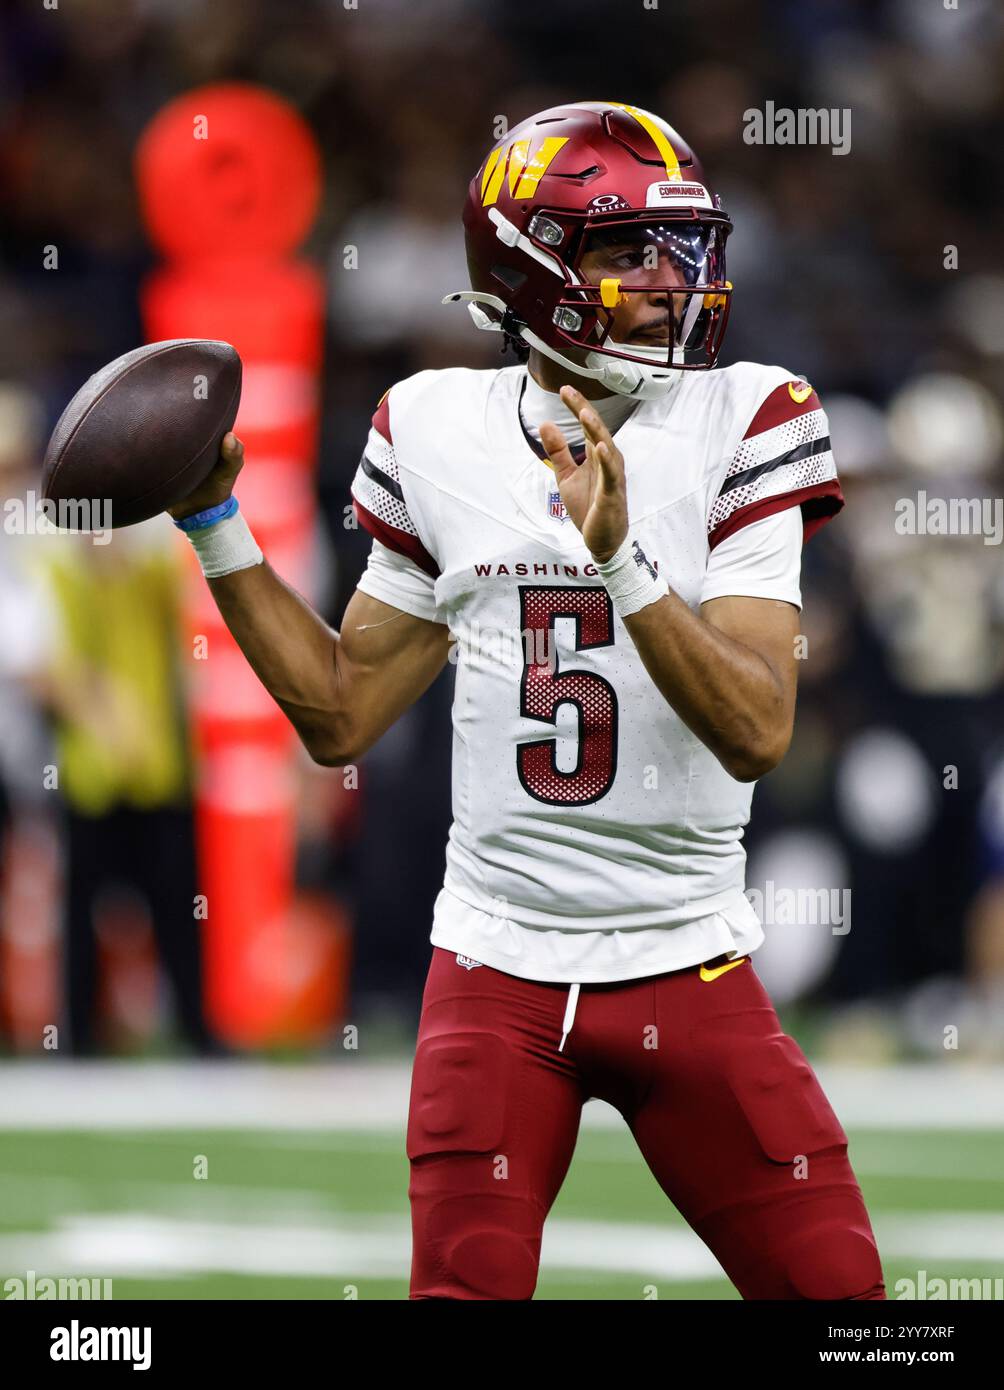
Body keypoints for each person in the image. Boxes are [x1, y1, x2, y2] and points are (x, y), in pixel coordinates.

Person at [169, 101, 883, 1300]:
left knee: (851, 1314)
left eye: (685, 248)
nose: (671, 283)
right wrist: (214, 521)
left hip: (689, 960)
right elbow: (340, 713)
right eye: (625, 253)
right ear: (527, 266)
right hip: (495, 968)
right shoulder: (433, 426)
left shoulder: (750, 413)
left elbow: (757, 727)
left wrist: (620, 564)